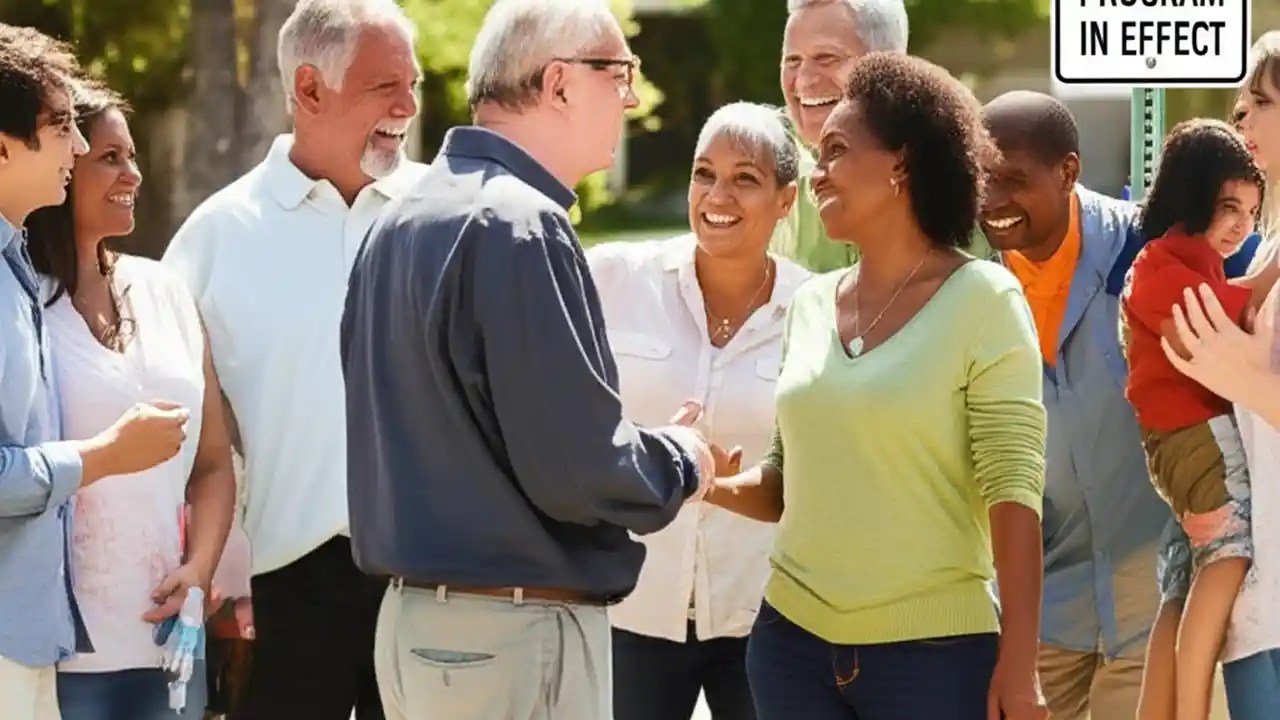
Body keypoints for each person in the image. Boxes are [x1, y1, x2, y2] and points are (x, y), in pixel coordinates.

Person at [340, 1, 724, 718]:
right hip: (510, 636)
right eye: (620, 72)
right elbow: (578, 470)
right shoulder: (520, 224)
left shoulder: (395, 217)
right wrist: (682, 458)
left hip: (415, 629)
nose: (632, 97)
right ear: (558, 83)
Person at [708, 52, 1048, 720]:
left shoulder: (985, 297)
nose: (816, 173)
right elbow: (784, 482)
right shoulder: (810, 305)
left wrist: (1020, 664)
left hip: (936, 662)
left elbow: (1014, 491)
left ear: (902, 164)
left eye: (836, 151)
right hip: (791, 647)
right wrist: (707, 484)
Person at [159, 0, 428, 717]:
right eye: (385, 87)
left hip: (436, 582)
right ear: (310, 90)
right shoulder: (215, 238)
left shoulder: (447, 212)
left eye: (415, 83)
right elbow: (177, 432)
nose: (408, 105)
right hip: (282, 586)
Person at [586, 102, 808, 720]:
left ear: (786, 200)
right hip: (629, 605)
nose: (718, 194)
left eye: (746, 178)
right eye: (704, 173)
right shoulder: (614, 279)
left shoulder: (817, 309)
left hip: (762, 616)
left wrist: (718, 484)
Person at [21, 83, 236, 720]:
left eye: (133, 156)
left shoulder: (166, 290)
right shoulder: (20, 301)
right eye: (110, 157)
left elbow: (213, 462)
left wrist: (199, 568)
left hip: (169, 646)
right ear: (63, 163)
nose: (133, 174)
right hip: (54, 658)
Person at [0, 25, 192, 719]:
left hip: (54, 642)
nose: (77, 149)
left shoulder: (13, 272)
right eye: (63, 130)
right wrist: (105, 455)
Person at [977, 90, 1174, 720]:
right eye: (981, 179)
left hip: (1157, 598)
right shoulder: (969, 289)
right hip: (1041, 609)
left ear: (1068, 172)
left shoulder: (1145, 254)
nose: (992, 201)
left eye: (1012, 179)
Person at [1120, 118, 1270, 720]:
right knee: (1229, 554)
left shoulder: (1177, 264)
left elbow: (1237, 292)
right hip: (1197, 438)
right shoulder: (1163, 268)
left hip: (1178, 444)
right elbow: (1233, 312)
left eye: (1253, 213)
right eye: (1229, 206)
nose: (1242, 226)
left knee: (1181, 583)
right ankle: (1190, 711)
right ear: (1192, 194)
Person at [1165, 32, 1280, 720]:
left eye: (1260, 100)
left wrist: (1237, 374)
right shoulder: (1266, 245)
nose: (1238, 116)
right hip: (1259, 598)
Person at [772, 0, 994, 273]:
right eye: (792, 61)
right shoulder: (769, 174)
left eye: (826, 58)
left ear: (888, 63)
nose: (804, 80)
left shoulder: (963, 172)